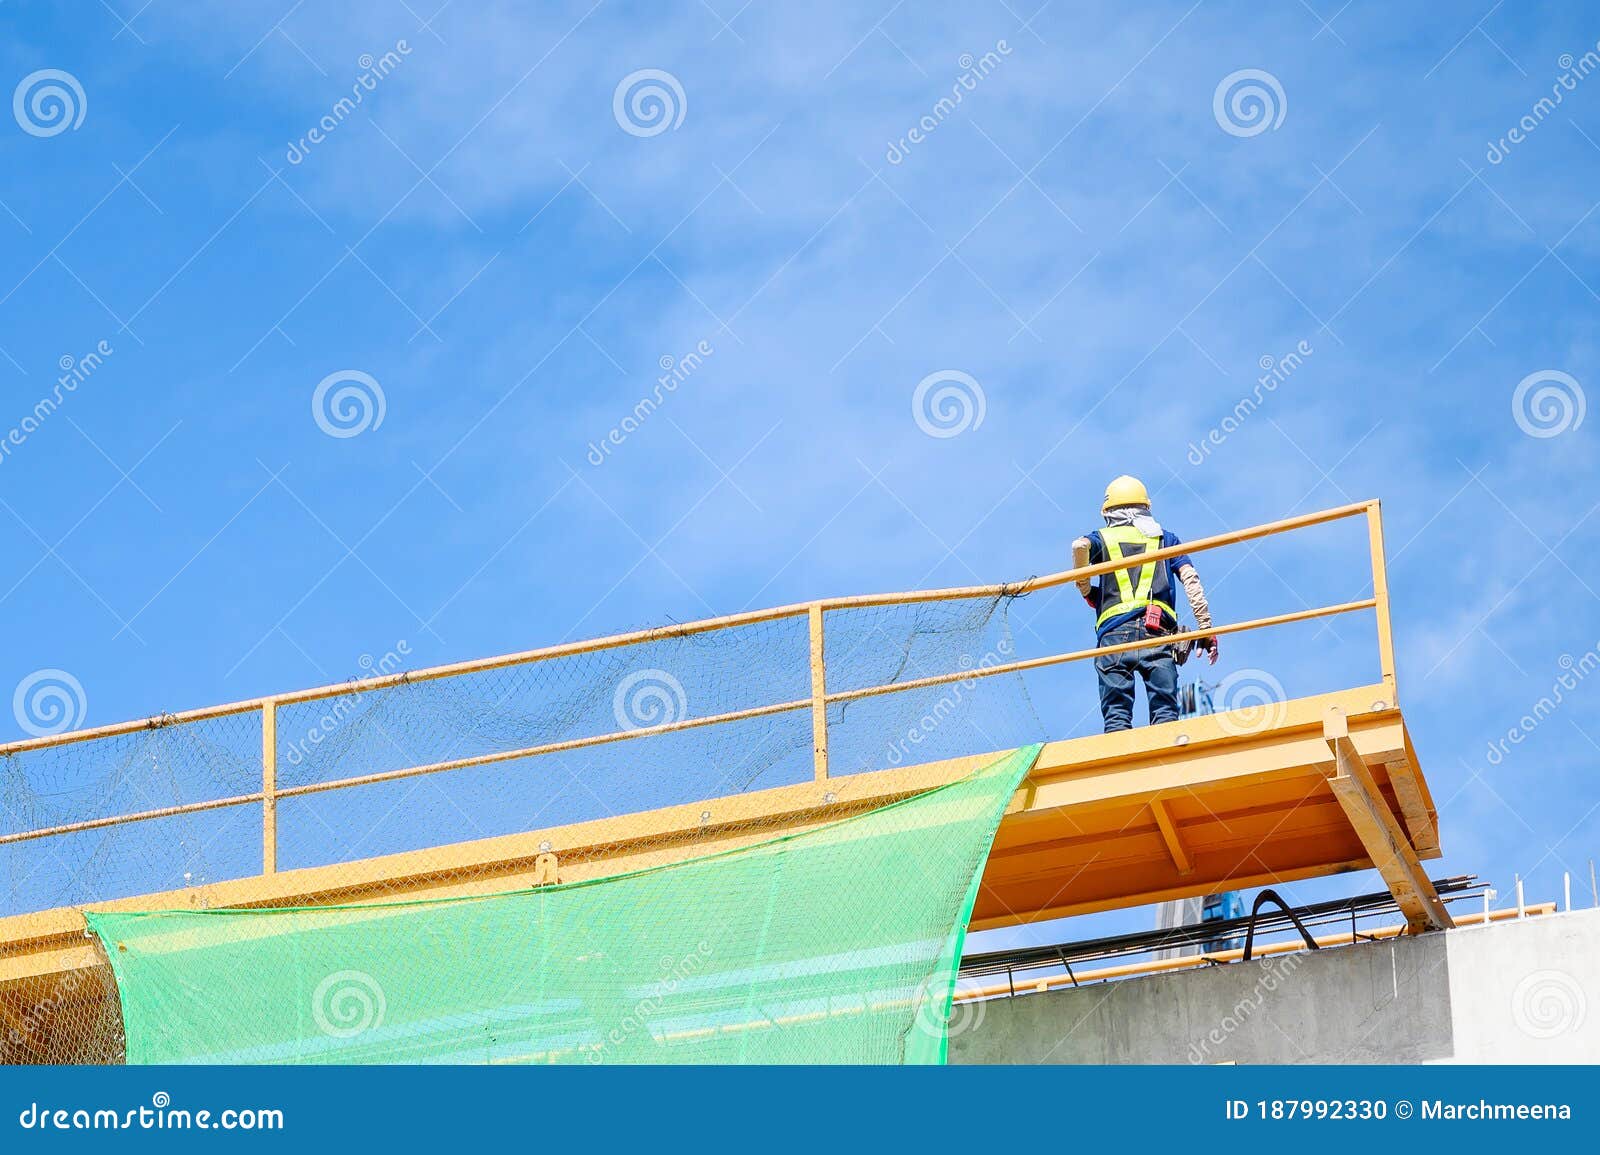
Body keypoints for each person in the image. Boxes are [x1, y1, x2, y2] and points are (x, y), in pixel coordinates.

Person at [1072, 476, 1217, 732]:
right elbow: (1191, 581)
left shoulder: (1102, 538)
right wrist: (1205, 628)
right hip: (1157, 634)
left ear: (1108, 511)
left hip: (1114, 637)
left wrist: (1084, 588)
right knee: (1165, 713)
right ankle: (1166, 762)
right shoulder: (1165, 538)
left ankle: (1120, 766)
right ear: (1145, 507)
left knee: (1116, 716)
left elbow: (1079, 546)